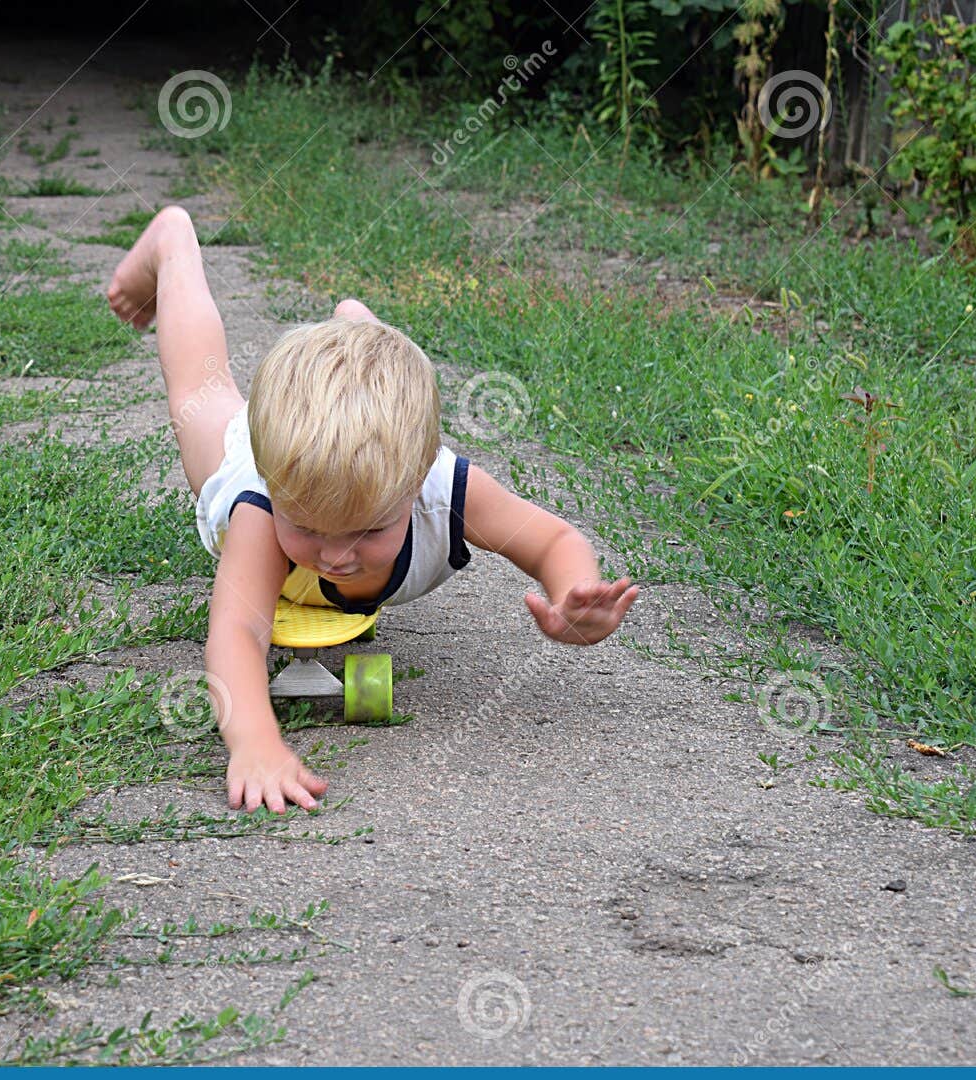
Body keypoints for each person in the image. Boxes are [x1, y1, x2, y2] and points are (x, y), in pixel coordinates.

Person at [106, 206, 639, 815]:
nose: (333, 554)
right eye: (305, 529)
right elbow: (237, 629)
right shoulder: (261, 502)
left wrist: (574, 593)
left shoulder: (445, 489)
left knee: (385, 390)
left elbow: (552, 542)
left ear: (416, 484)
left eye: (366, 530)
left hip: (361, 459)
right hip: (268, 458)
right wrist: (254, 742)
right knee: (200, 389)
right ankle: (173, 246)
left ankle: (355, 328)